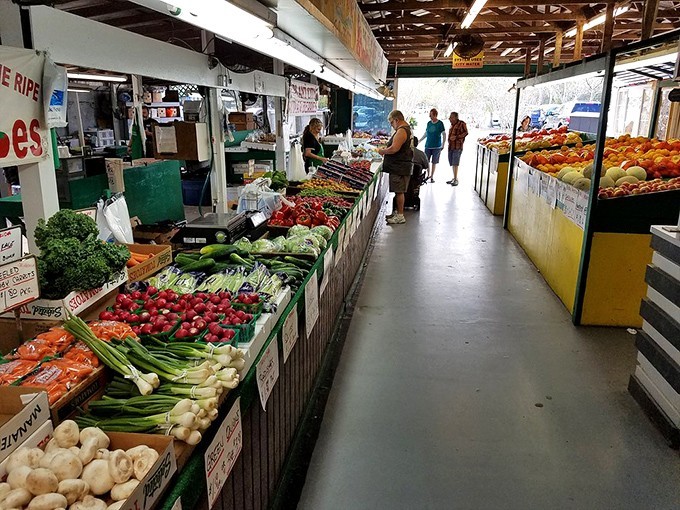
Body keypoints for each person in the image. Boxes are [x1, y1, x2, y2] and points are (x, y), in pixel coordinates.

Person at [378, 110, 413, 225]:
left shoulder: (402, 131)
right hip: (400, 166)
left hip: (400, 166)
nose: (391, 125)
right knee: (398, 190)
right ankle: (398, 212)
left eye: (391, 122)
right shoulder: (405, 129)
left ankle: (400, 215)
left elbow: (394, 148)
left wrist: (382, 151)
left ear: (397, 120)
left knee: (399, 191)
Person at [419, 108, 446, 183]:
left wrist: (443, 144)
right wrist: (419, 140)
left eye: (431, 115)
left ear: (435, 115)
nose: (430, 117)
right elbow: (426, 133)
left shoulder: (440, 123)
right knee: (426, 161)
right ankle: (428, 175)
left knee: (434, 162)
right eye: (429, 115)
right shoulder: (429, 123)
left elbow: (444, 134)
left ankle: (432, 176)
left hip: (437, 146)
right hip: (428, 145)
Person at [446, 111, 468, 186]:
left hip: (457, 146)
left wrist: (456, 137)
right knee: (452, 162)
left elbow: (466, 133)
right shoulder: (452, 125)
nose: (449, 118)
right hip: (451, 146)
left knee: (455, 162)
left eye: (451, 117)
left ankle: (455, 179)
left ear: (456, 117)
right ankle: (454, 177)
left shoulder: (462, 124)